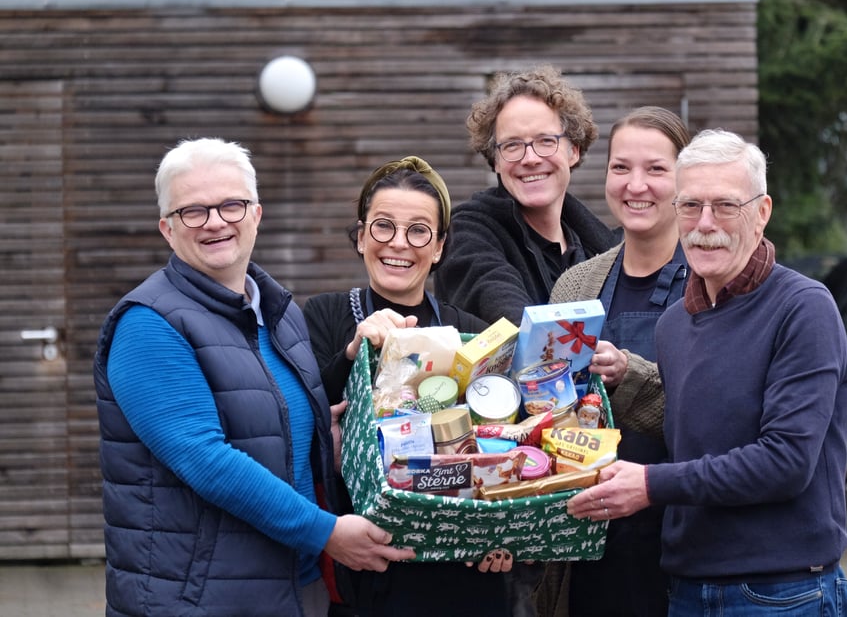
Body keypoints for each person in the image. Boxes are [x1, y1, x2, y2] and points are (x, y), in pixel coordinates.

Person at [93, 138, 415, 617]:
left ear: (256, 214)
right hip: (196, 598)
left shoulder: (280, 314)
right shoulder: (148, 325)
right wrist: (326, 532)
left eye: (232, 204)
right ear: (167, 229)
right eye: (193, 211)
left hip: (295, 584)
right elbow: (206, 460)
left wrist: (326, 435)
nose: (215, 222)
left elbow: (270, 428)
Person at [566, 129, 847, 616]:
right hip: (686, 588)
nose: (704, 224)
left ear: (762, 212)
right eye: (691, 206)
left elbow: (786, 461)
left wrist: (649, 485)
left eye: (725, 206)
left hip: (781, 593)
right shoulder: (674, 325)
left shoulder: (803, 308)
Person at [302, 156, 515, 617]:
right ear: (362, 237)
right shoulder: (324, 316)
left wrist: (500, 535)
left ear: (438, 248)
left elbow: (500, 442)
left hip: (462, 576)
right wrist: (353, 352)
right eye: (383, 226)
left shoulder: (471, 333)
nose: (399, 243)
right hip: (366, 572)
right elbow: (304, 417)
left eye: (419, 231)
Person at [537, 106, 691, 616]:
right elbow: (545, 413)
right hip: (590, 550)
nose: (635, 185)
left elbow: (719, 416)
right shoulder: (576, 285)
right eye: (621, 167)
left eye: (656, 169)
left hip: (684, 547)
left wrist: (630, 375)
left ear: (684, 180)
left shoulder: (709, 283)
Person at [433, 64, 618, 324]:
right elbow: (500, 302)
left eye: (546, 141)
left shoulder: (601, 248)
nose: (530, 158)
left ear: (573, 151)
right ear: (496, 160)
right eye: (512, 145)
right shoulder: (467, 235)